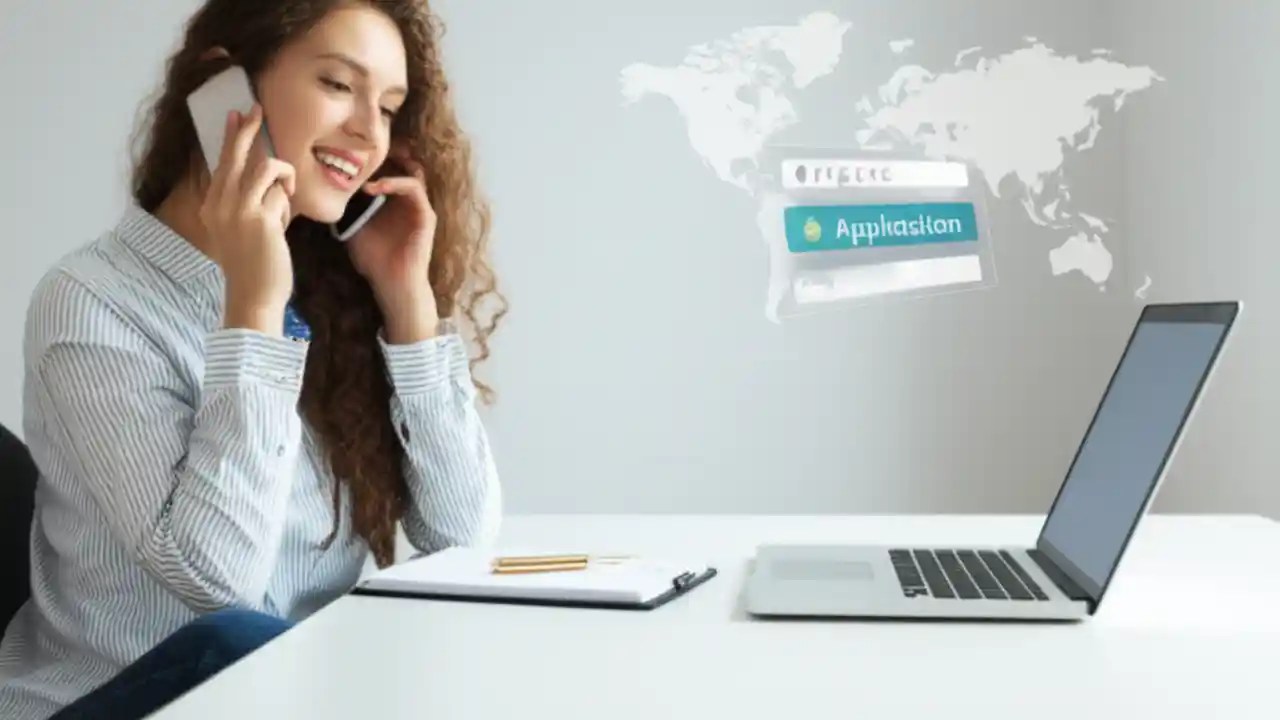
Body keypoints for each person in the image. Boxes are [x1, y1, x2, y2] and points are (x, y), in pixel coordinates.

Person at [0, 1, 507, 718]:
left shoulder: (326, 291)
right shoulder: (91, 304)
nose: (369, 131)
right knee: (242, 638)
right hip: (127, 701)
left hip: (292, 695)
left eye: (389, 106)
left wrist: (407, 301)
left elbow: (462, 539)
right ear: (222, 88)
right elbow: (221, 587)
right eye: (338, 85)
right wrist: (254, 313)